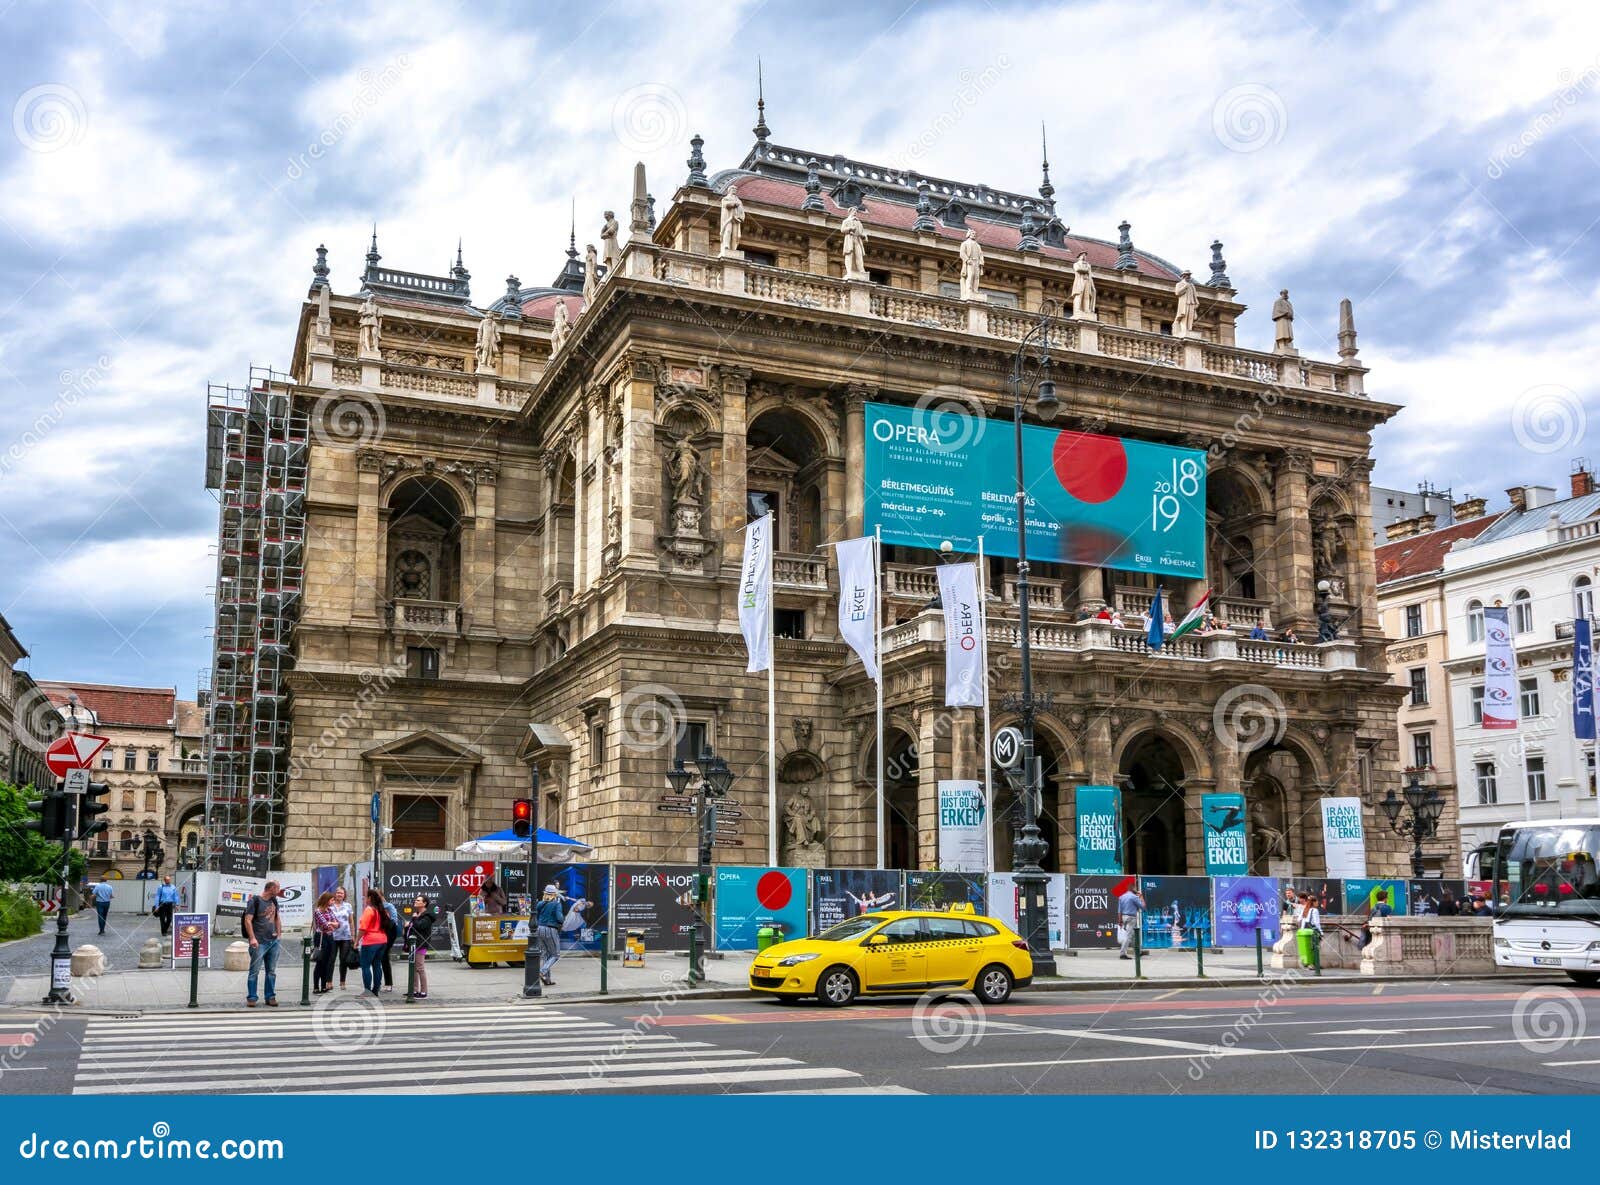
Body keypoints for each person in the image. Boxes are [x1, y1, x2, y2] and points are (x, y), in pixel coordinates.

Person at [242, 880, 283, 1008]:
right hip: (259, 942)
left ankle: (270, 997)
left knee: (271, 971)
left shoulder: (274, 901)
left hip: (273, 942)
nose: (279, 891)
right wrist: (252, 938)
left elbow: (277, 917)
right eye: (278, 888)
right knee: (254, 971)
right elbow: (247, 920)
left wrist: (279, 934)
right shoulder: (255, 901)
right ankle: (252, 998)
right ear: (271, 888)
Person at [357, 888, 389, 997]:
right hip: (383, 940)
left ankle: (367, 991)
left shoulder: (369, 910)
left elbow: (363, 928)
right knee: (377, 965)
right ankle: (376, 990)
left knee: (365, 966)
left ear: (370, 898)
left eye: (366, 897)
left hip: (370, 941)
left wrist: (356, 941)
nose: (365, 899)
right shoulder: (382, 910)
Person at [405, 895, 438, 999]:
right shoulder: (417, 914)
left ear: (424, 903)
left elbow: (419, 926)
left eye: (418, 900)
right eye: (416, 900)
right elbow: (413, 927)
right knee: (413, 968)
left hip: (421, 944)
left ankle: (423, 992)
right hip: (413, 944)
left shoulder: (427, 916)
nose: (415, 901)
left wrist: (413, 919)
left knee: (420, 968)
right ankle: (414, 990)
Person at [535, 884, 567, 986]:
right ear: (554, 894)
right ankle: (542, 972)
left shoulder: (540, 904)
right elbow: (559, 918)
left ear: (545, 894)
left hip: (539, 929)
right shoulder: (556, 904)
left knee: (545, 954)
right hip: (550, 929)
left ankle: (547, 979)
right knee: (555, 955)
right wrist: (563, 919)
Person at [311, 891, 339, 993]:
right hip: (321, 937)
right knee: (320, 962)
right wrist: (332, 924)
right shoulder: (318, 911)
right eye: (332, 900)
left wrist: (331, 923)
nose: (333, 901)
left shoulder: (330, 910)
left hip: (330, 937)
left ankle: (323, 985)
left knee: (327, 962)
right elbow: (325, 925)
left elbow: (337, 924)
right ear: (326, 900)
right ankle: (315, 986)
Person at [328, 885, 355, 989]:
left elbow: (351, 921)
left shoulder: (348, 906)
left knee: (343, 960)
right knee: (331, 959)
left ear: (344, 895)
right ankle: (329, 981)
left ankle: (342, 982)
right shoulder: (330, 906)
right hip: (333, 936)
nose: (339, 894)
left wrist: (353, 935)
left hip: (345, 937)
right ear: (335, 894)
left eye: (341, 893)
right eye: (338, 892)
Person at [379, 893, 402, 993]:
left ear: (381, 896)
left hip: (389, 933)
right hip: (378, 934)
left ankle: (388, 984)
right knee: (380, 958)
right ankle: (380, 983)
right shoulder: (374, 907)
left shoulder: (388, 906)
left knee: (384, 957)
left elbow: (393, 921)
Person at [1116, 884, 1144, 960]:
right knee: (1128, 936)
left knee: (1134, 935)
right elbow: (1143, 907)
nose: (1136, 889)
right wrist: (1141, 897)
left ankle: (1138, 951)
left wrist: (1120, 921)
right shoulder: (1134, 897)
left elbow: (1119, 910)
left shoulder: (1122, 897)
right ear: (1133, 888)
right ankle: (1122, 954)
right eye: (1135, 888)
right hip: (1131, 918)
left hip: (1124, 917)